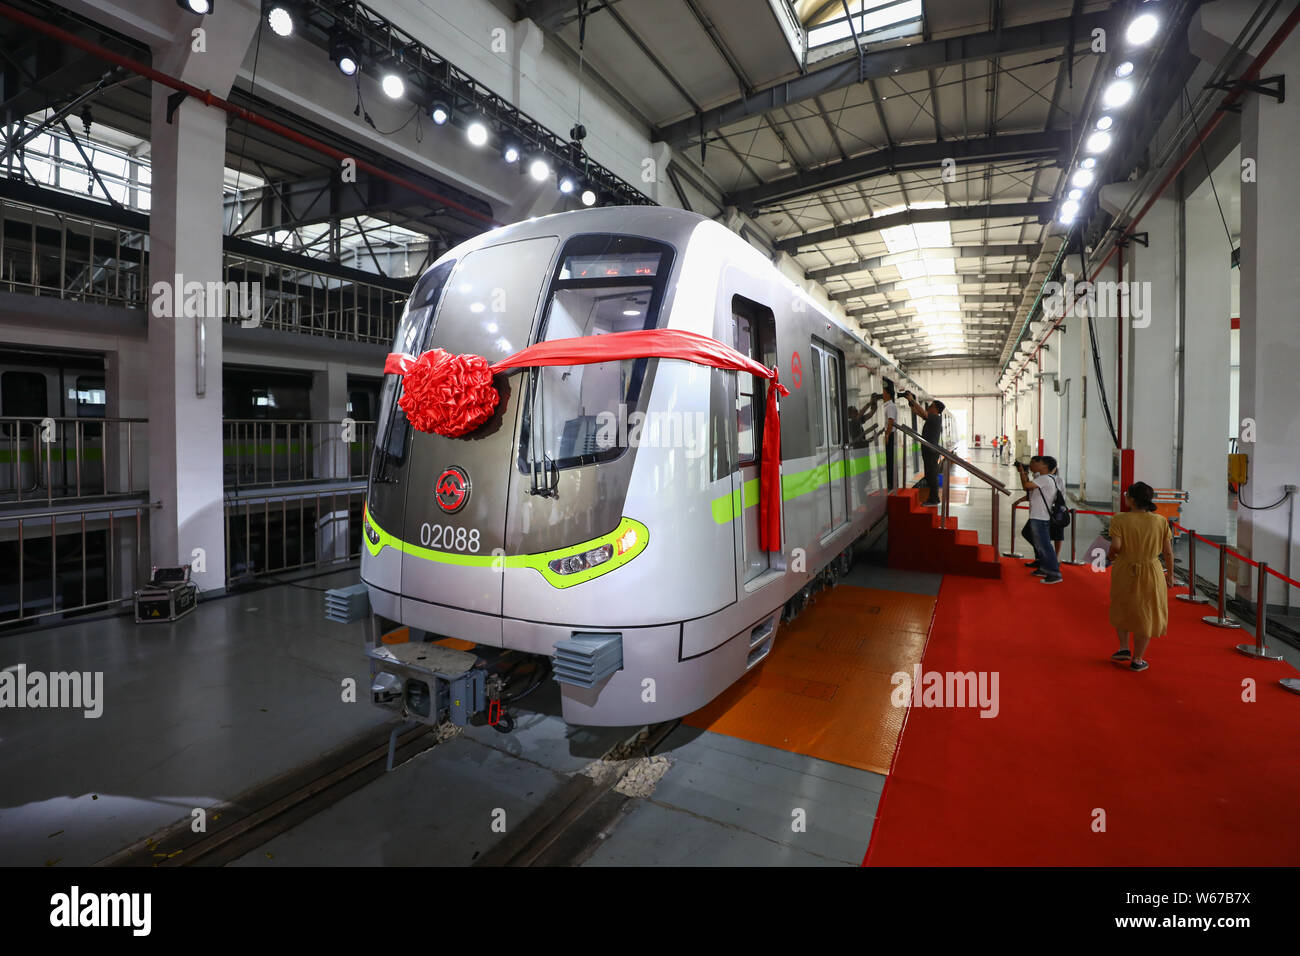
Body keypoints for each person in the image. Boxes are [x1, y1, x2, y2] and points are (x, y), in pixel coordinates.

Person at [1107, 481, 1175, 671]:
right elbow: (1168, 552)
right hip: (1151, 570)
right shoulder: (1161, 521)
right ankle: (1137, 659)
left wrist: (1110, 555)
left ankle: (1123, 647)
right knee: (1147, 611)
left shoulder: (1119, 519)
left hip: (1125, 567)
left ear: (1131, 500)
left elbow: (1117, 547)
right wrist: (1170, 574)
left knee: (1122, 604)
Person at [1016, 455, 1063, 584]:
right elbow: (1028, 489)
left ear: (1044, 466)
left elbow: (1026, 486)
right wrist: (1023, 472)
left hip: (1040, 517)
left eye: (1035, 462)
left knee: (1045, 546)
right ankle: (1044, 568)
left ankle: (1055, 573)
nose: (1032, 464)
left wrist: (1022, 472)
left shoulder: (1045, 479)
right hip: (1038, 516)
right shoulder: (1043, 478)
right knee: (1041, 545)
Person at [904, 393, 945, 505]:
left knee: (931, 475)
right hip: (929, 451)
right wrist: (911, 403)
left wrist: (912, 400)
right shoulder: (933, 418)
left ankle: (934, 499)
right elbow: (917, 412)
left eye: (931, 406)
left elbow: (922, 412)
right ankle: (933, 498)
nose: (929, 408)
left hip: (931, 451)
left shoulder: (936, 418)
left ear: (936, 409)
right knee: (929, 475)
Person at [881, 381, 898, 489]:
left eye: (883, 392)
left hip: (890, 435)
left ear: (888, 394)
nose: (882, 394)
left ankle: (891, 483)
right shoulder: (887, 405)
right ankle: (890, 482)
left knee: (890, 459)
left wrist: (887, 435)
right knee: (888, 459)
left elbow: (891, 421)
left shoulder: (890, 406)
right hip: (889, 434)